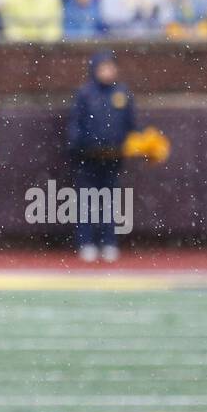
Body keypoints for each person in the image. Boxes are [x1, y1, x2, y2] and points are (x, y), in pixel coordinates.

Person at [67, 51, 136, 263]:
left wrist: (132, 144)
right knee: (85, 201)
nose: (107, 72)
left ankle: (109, 242)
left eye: (110, 67)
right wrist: (78, 146)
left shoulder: (122, 93)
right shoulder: (85, 93)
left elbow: (131, 124)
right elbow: (76, 124)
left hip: (113, 157)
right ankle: (86, 242)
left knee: (110, 201)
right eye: (103, 67)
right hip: (88, 157)